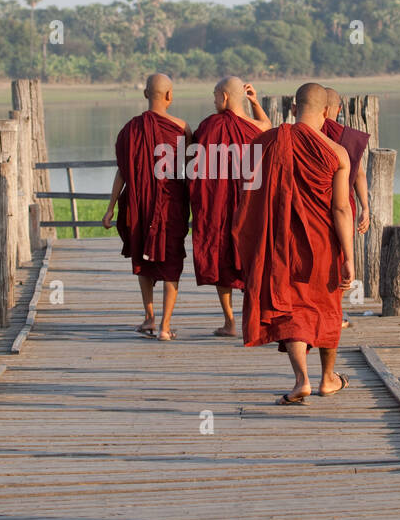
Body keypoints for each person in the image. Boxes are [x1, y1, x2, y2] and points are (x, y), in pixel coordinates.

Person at [233, 82, 355, 405]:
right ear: (326, 112)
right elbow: (342, 208)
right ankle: (328, 378)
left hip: (281, 242)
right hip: (323, 245)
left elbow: (249, 195)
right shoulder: (337, 153)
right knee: (327, 307)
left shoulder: (267, 142)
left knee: (292, 310)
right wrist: (349, 257)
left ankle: (302, 379)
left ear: (292, 108)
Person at [101, 73, 191, 341]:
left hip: (138, 205)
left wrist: (110, 207)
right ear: (169, 96)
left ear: (145, 95)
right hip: (171, 204)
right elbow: (189, 169)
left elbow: (123, 172)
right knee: (172, 261)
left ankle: (149, 317)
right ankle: (164, 325)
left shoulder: (131, 129)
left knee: (143, 259)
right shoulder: (183, 128)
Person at [188, 76, 272, 337]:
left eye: (215, 95)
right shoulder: (253, 127)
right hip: (249, 208)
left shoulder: (208, 126)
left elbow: (194, 167)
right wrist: (255, 103)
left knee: (222, 258)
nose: (214, 101)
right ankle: (255, 319)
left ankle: (230, 322)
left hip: (218, 207)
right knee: (252, 257)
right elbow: (267, 127)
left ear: (223, 97)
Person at [321, 88, 371, 327]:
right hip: (345, 205)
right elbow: (359, 174)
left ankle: (327, 312)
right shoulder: (346, 136)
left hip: (316, 206)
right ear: (338, 109)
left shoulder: (309, 133)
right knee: (341, 258)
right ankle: (335, 312)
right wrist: (365, 207)